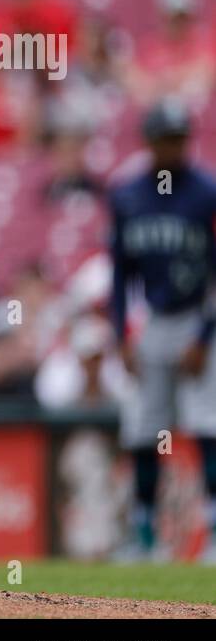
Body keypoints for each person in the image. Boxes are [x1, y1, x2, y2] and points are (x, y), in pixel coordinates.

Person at [107, 99, 216, 563]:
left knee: (207, 425)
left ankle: (213, 531)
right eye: (165, 139)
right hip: (151, 321)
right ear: (149, 142)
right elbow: (118, 274)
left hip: (199, 317)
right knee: (144, 430)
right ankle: (144, 532)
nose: (173, 148)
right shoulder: (127, 194)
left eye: (179, 139)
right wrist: (121, 334)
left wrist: (205, 335)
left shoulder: (207, 192)